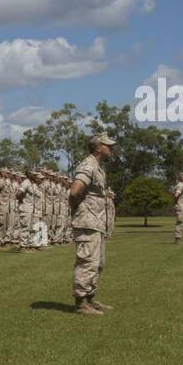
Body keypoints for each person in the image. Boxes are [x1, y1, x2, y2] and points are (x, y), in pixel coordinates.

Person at [68, 133, 116, 315]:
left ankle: (90, 298)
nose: (111, 148)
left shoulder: (98, 167)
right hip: (87, 221)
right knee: (87, 262)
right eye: (107, 145)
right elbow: (74, 192)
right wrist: (78, 210)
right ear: (98, 148)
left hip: (96, 222)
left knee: (98, 263)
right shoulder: (88, 165)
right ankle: (80, 303)